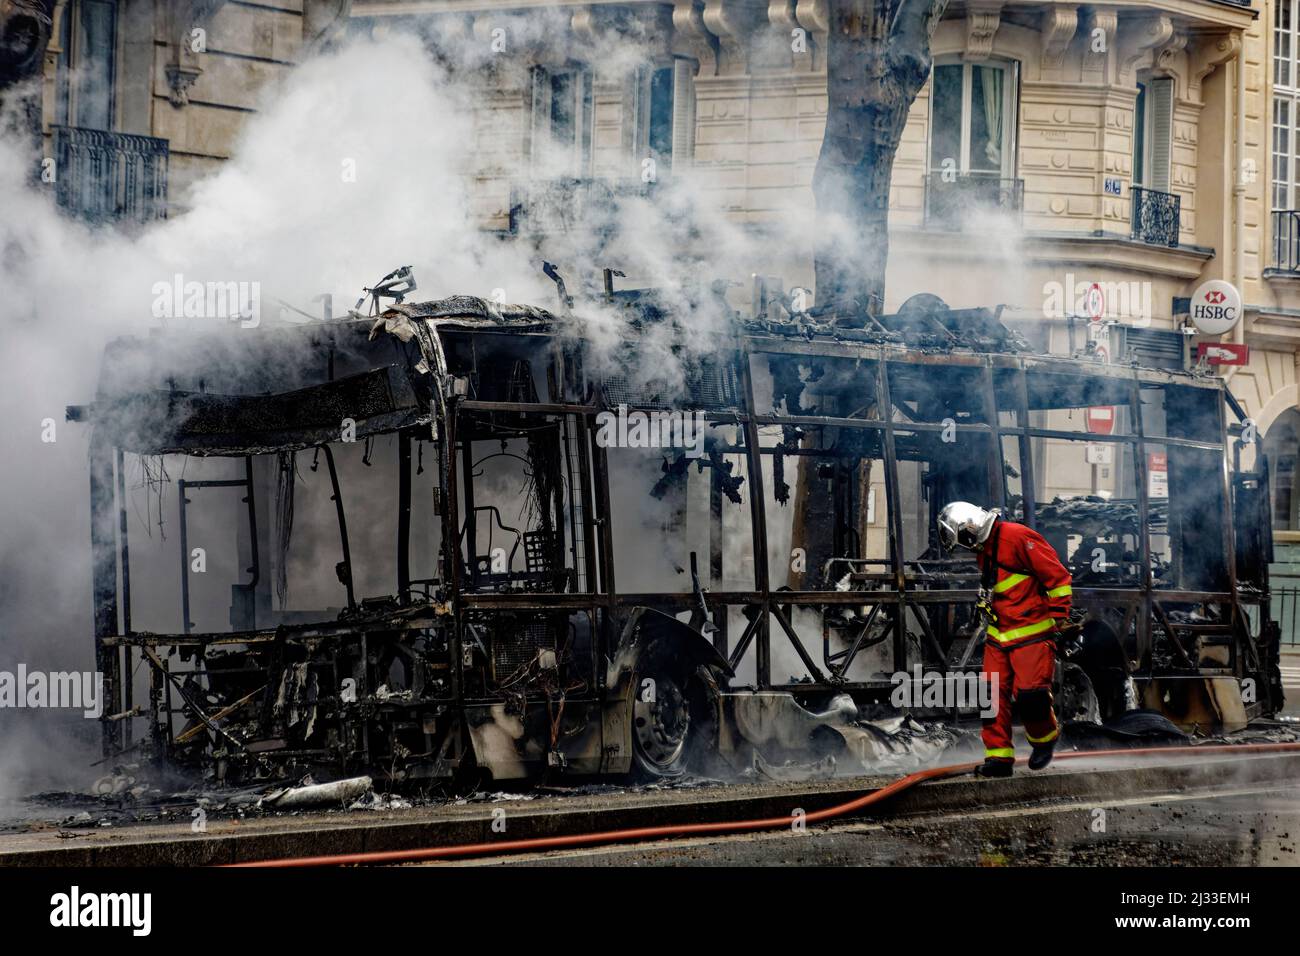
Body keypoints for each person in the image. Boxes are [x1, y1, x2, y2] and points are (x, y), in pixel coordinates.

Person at [937, 502, 1073, 777]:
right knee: (990, 697)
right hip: (999, 635)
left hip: (1032, 633)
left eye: (964, 541)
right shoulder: (985, 550)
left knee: (1031, 697)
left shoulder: (1018, 537)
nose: (967, 547)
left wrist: (1059, 617)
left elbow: (1057, 577)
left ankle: (1045, 740)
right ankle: (999, 758)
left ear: (968, 531)